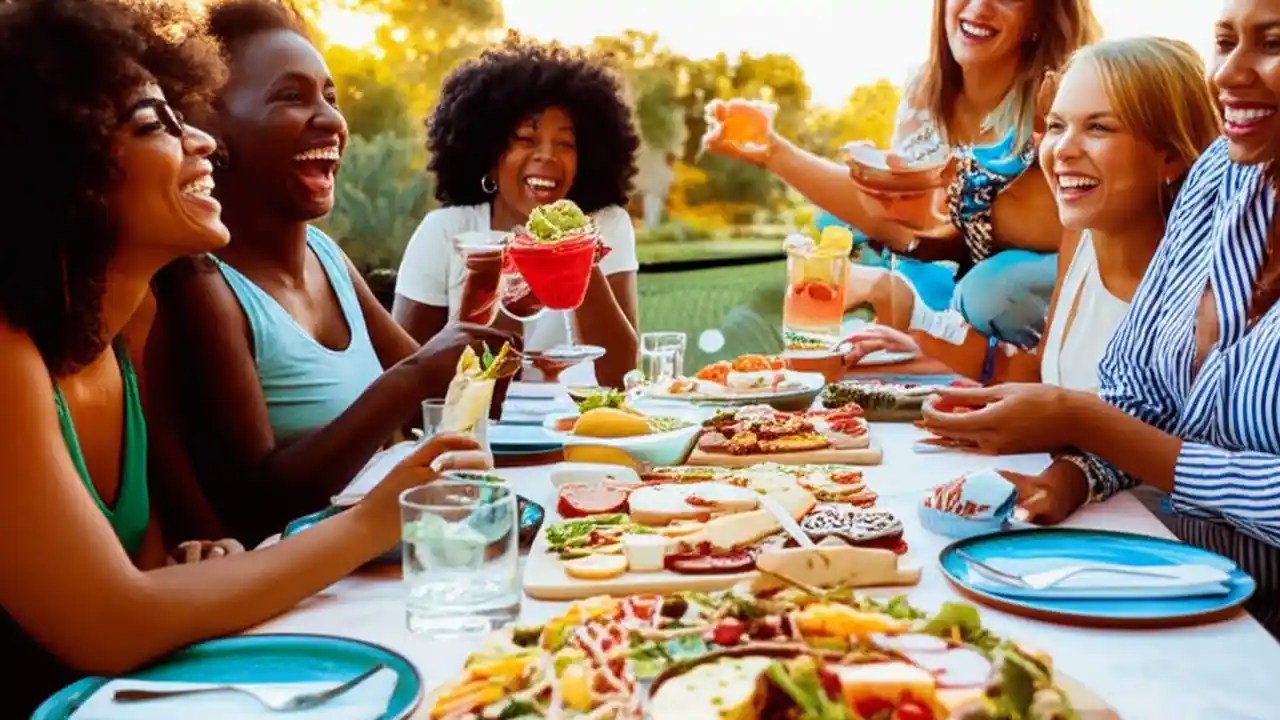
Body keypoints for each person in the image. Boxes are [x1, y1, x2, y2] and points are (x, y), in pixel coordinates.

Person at [0, 1, 489, 714]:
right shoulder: (9, 356)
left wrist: (194, 565)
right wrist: (371, 523)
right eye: (156, 125)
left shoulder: (125, 337)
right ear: (62, 166)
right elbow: (111, 622)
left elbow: (142, 578)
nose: (203, 142)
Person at [921, 0, 1280, 636]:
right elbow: (1142, 391)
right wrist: (1067, 478)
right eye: (1225, 42)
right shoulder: (1222, 176)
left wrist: (1077, 418)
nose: (1227, 74)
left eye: (1273, 43)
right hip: (1185, 580)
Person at [150, 0, 513, 545]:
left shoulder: (325, 255)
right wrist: (412, 377)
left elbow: (448, 396)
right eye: (291, 97)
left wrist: (502, 306)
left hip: (376, 557)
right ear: (209, 128)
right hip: (305, 577)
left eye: (330, 97)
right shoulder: (204, 284)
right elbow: (261, 503)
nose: (332, 121)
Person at [706, 0, 1100, 353]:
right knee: (845, 244)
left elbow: (1048, 227)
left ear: (1039, 15)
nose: (979, 7)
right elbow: (900, 222)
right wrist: (773, 150)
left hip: (1021, 304)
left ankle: (951, 351)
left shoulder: (1058, 97)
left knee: (989, 289)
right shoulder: (924, 90)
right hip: (947, 282)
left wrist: (927, 211)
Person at [843, 37, 1221, 391]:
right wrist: (920, 330)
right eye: (1057, 125)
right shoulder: (1081, 236)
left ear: (1170, 157)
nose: (1063, 149)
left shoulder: (1208, 295)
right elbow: (1041, 375)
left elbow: (1138, 426)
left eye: (1098, 127)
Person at [392, 35, 641, 389]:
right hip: (473, 421)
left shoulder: (606, 224)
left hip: (578, 419)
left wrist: (580, 253)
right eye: (525, 139)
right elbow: (404, 374)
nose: (547, 155)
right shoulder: (445, 232)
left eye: (566, 143)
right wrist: (503, 266)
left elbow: (622, 377)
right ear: (488, 155)